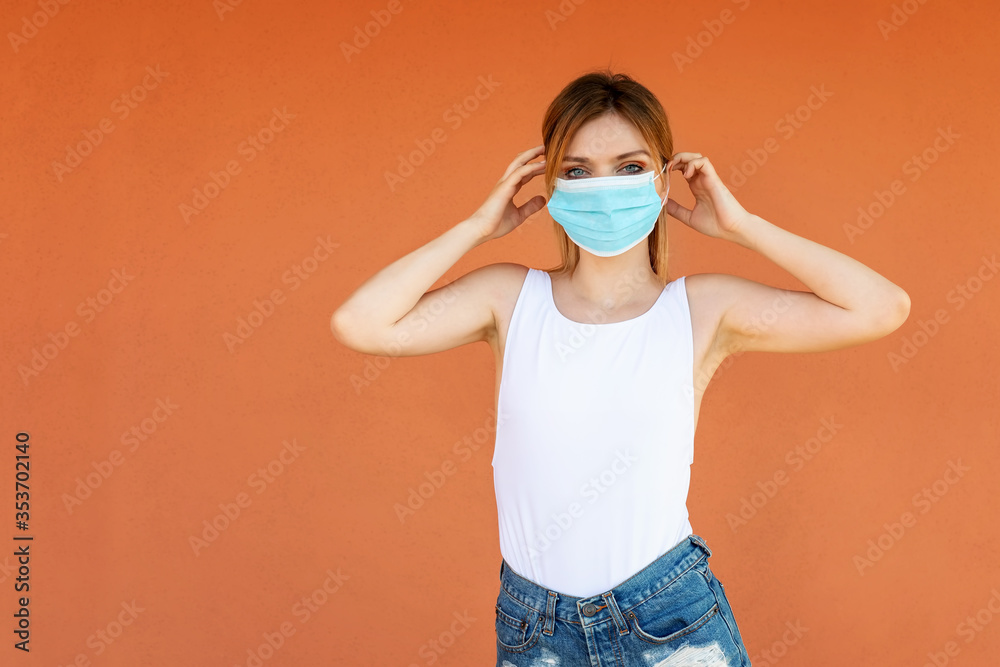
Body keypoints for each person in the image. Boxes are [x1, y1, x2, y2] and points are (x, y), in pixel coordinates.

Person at [331, 70, 911, 666]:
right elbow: (361, 323)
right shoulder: (507, 298)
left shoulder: (702, 309)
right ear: (549, 184)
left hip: (668, 619)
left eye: (630, 166)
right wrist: (476, 229)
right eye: (577, 170)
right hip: (536, 629)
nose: (603, 187)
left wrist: (743, 227)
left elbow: (879, 307)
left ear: (663, 180)